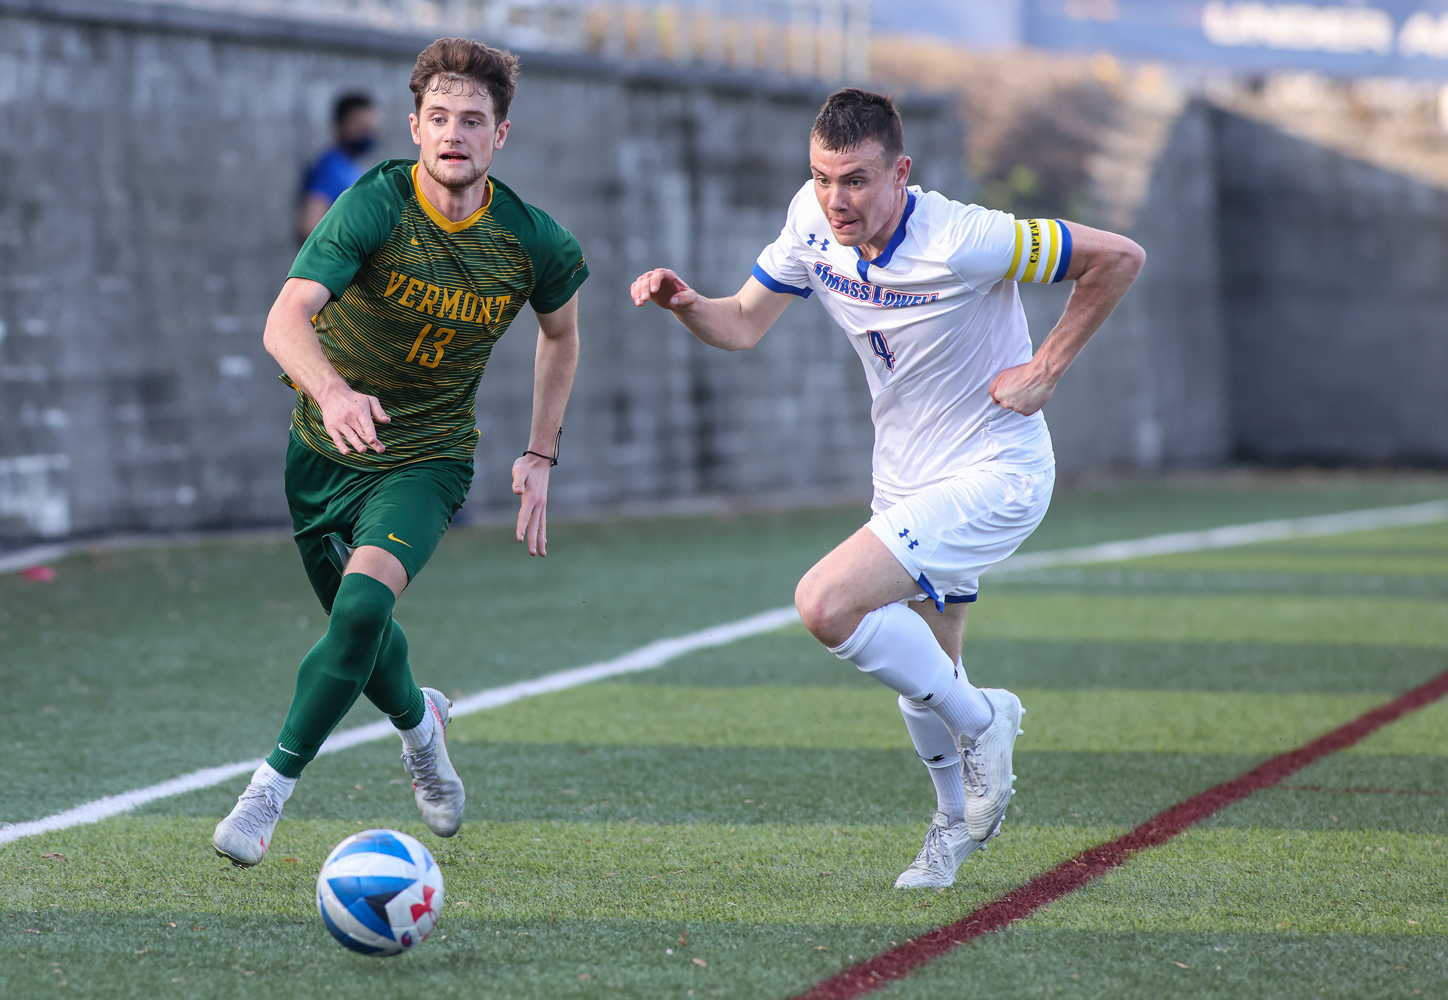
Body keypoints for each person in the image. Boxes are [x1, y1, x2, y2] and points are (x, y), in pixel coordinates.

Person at [630, 88, 1143, 889]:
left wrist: (1045, 368)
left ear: (901, 172)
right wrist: (688, 304)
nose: (836, 199)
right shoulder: (810, 221)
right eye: (822, 177)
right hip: (905, 479)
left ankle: (987, 720)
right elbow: (741, 322)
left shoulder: (965, 238)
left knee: (825, 604)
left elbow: (1118, 257)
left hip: (997, 473)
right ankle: (952, 824)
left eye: (857, 180)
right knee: (924, 670)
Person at [214, 37, 588, 867]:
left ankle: (266, 793)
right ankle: (423, 728)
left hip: (427, 458)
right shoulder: (373, 206)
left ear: (501, 135)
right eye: (440, 117)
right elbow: (284, 319)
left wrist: (540, 452)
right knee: (362, 633)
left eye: (474, 120)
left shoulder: (532, 241)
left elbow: (560, 335)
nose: (456, 133)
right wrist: (333, 393)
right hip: (322, 450)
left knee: (358, 612)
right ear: (416, 128)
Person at [298, 92, 381, 243]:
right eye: (359, 125)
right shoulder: (330, 168)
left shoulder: (352, 167)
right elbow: (308, 228)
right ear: (340, 124)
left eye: (370, 127)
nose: (366, 133)